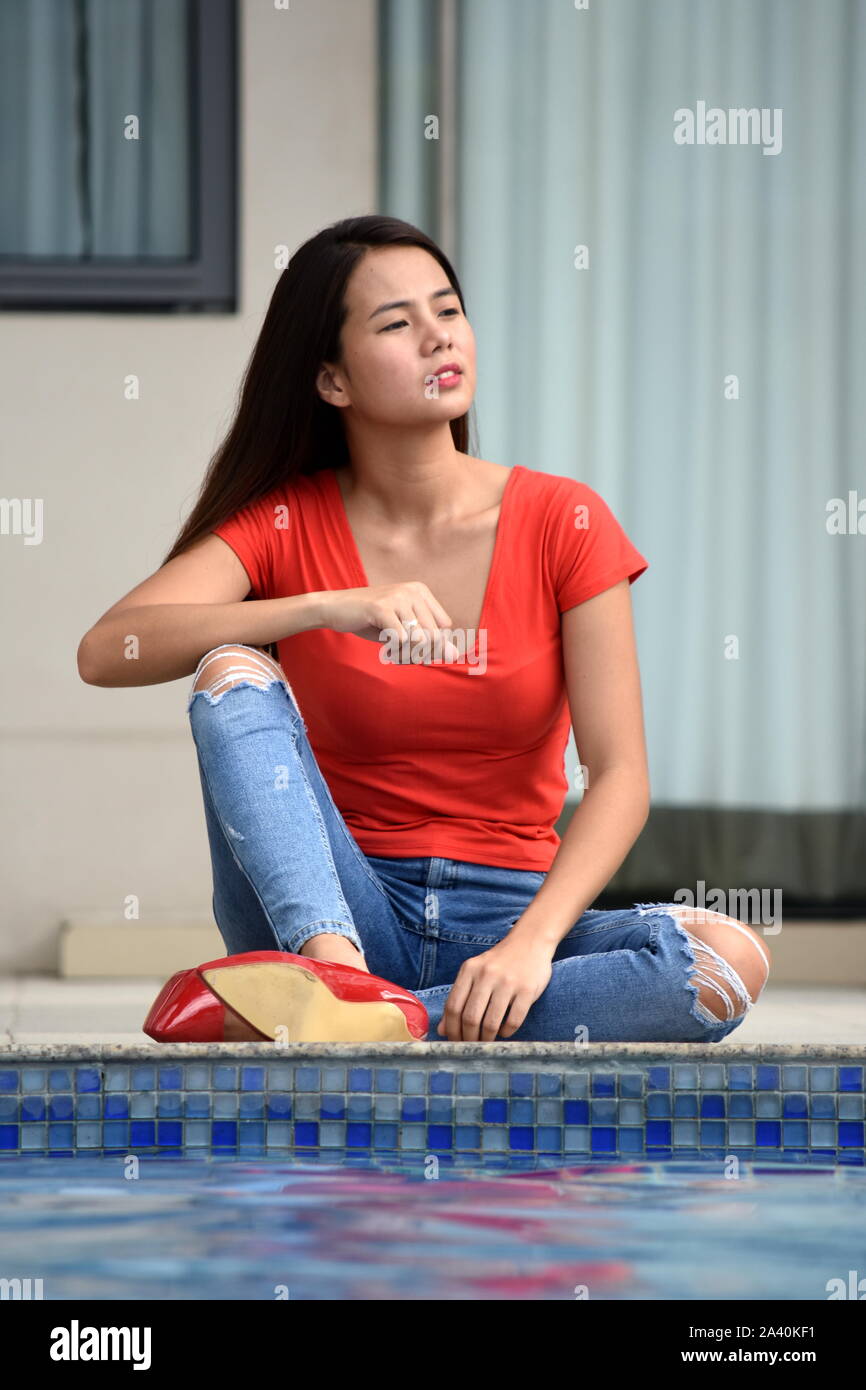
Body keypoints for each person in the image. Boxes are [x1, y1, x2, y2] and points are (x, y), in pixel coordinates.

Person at [78, 213, 771, 1043]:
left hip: (504, 934)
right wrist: (326, 605)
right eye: (398, 324)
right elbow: (108, 648)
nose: (438, 339)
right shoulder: (285, 523)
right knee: (230, 669)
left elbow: (620, 775)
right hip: (335, 908)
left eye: (448, 311)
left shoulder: (563, 519)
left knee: (724, 964)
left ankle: (362, 1026)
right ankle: (333, 984)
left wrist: (533, 945)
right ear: (332, 380)